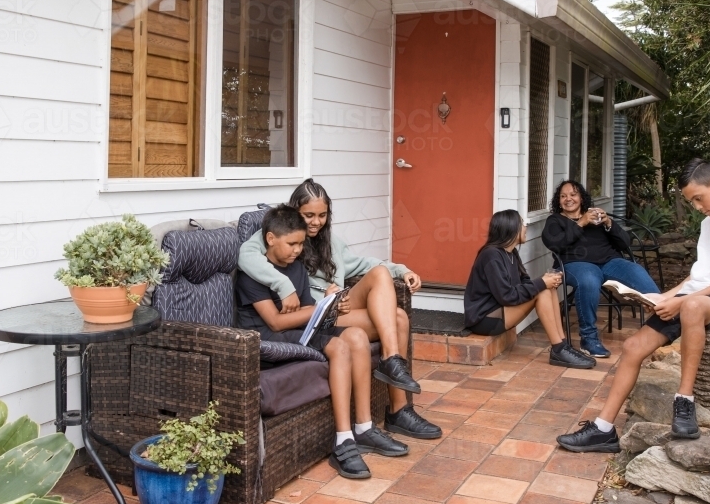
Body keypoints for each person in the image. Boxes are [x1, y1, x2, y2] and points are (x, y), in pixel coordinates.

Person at [557, 159, 710, 452]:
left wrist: (681, 302)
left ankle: (684, 402)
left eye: (698, 198)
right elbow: (700, 275)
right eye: (692, 201)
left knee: (693, 307)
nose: (697, 207)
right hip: (696, 298)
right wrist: (664, 297)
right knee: (633, 347)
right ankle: (604, 430)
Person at [239, 179, 442, 440]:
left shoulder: (331, 243)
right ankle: (397, 407)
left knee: (381, 276)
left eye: (322, 215)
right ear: (294, 213)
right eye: (308, 215)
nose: (315, 222)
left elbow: (362, 263)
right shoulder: (280, 238)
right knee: (399, 318)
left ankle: (396, 386)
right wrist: (285, 286)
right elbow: (246, 256)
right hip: (314, 313)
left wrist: (402, 270)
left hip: (336, 304)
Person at [236, 206, 409, 479]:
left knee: (356, 335)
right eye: (291, 244)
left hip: (297, 330)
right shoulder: (254, 272)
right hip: (266, 339)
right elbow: (275, 322)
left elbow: (305, 309)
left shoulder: (296, 268)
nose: (297, 250)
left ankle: (363, 428)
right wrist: (323, 308)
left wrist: (329, 308)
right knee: (340, 346)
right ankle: (343, 439)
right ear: (270, 239)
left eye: (301, 243)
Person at [542, 180, 661, 358]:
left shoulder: (595, 217)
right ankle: (589, 339)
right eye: (563, 196)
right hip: (575, 264)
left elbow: (624, 243)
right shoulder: (555, 221)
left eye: (573, 195)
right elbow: (555, 244)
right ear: (558, 201)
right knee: (589, 280)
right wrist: (580, 223)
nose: (568, 199)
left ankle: (665, 322)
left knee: (636, 271)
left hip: (610, 262)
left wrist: (608, 223)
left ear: (581, 198)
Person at [464, 209, 596, 370]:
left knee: (548, 289)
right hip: (484, 319)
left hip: (501, 311)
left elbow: (525, 282)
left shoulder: (511, 253)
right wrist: (541, 283)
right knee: (542, 290)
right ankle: (559, 349)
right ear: (512, 228)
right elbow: (507, 296)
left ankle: (563, 345)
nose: (526, 228)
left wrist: (546, 280)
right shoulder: (491, 256)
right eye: (523, 224)